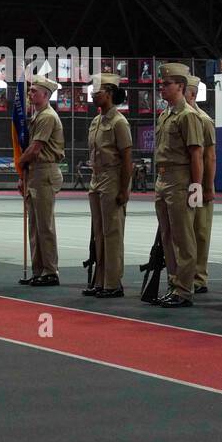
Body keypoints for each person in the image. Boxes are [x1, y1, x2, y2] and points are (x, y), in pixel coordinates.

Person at [152, 62, 204, 308]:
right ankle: (174, 284)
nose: (162, 87)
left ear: (180, 87)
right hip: (163, 180)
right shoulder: (166, 115)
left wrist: (196, 186)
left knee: (184, 238)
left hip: (180, 180)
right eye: (162, 83)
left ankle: (184, 289)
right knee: (168, 236)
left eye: (166, 84)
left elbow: (196, 153)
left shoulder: (188, 116)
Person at [83, 73, 133, 298]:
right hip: (97, 178)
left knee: (112, 233)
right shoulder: (96, 121)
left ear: (110, 94)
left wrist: (124, 189)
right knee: (99, 233)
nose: (94, 95)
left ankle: (113, 282)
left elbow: (127, 159)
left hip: (112, 178)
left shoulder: (119, 122)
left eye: (98, 92)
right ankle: (101, 279)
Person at [19, 75, 65, 286]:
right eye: (29, 90)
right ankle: (39, 270)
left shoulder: (46, 116)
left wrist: (19, 163)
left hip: (45, 172)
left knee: (44, 225)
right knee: (35, 225)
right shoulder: (38, 115)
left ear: (45, 95)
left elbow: (35, 148)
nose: (30, 94)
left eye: (34, 91)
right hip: (36, 172)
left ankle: (50, 270)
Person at [184, 73, 216, 296]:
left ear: (192, 94)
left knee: (200, 231)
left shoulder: (204, 120)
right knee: (183, 232)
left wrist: (208, 186)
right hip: (181, 182)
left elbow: (209, 157)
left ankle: (198, 277)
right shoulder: (175, 116)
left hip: (199, 184)